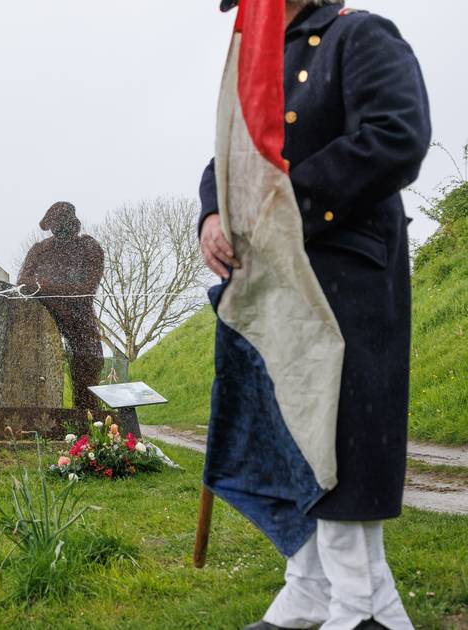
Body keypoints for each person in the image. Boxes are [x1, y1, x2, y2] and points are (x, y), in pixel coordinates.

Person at [199, 2, 430, 628]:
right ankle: (312, 588)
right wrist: (214, 215)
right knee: (287, 441)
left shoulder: (359, 35)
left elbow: (396, 135)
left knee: (339, 439)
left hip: (342, 277)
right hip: (271, 287)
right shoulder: (256, 61)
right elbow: (228, 160)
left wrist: (280, 204)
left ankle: (359, 604)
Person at [16, 201, 105, 411]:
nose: (57, 230)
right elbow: (23, 283)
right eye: (53, 226)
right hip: (45, 314)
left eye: (60, 224)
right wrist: (48, 290)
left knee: (89, 362)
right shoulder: (40, 250)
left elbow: (85, 289)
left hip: (79, 317)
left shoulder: (88, 248)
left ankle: (90, 421)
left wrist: (43, 286)